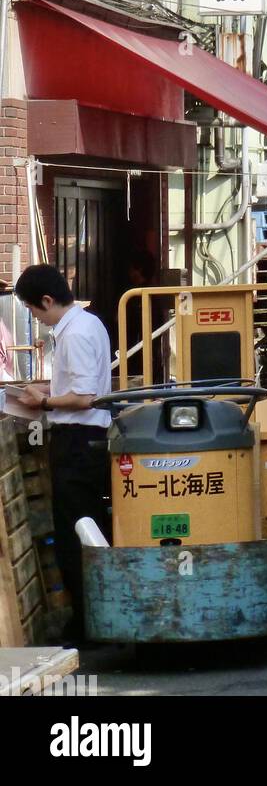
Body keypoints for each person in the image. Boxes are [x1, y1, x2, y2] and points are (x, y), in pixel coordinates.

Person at [14, 265, 111, 643]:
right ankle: (97, 618)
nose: (35, 319)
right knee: (91, 527)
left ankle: (88, 623)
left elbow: (84, 397)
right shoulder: (89, 324)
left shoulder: (75, 334)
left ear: (48, 301)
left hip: (78, 439)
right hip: (89, 437)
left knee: (76, 532)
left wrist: (45, 401)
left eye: (34, 310)